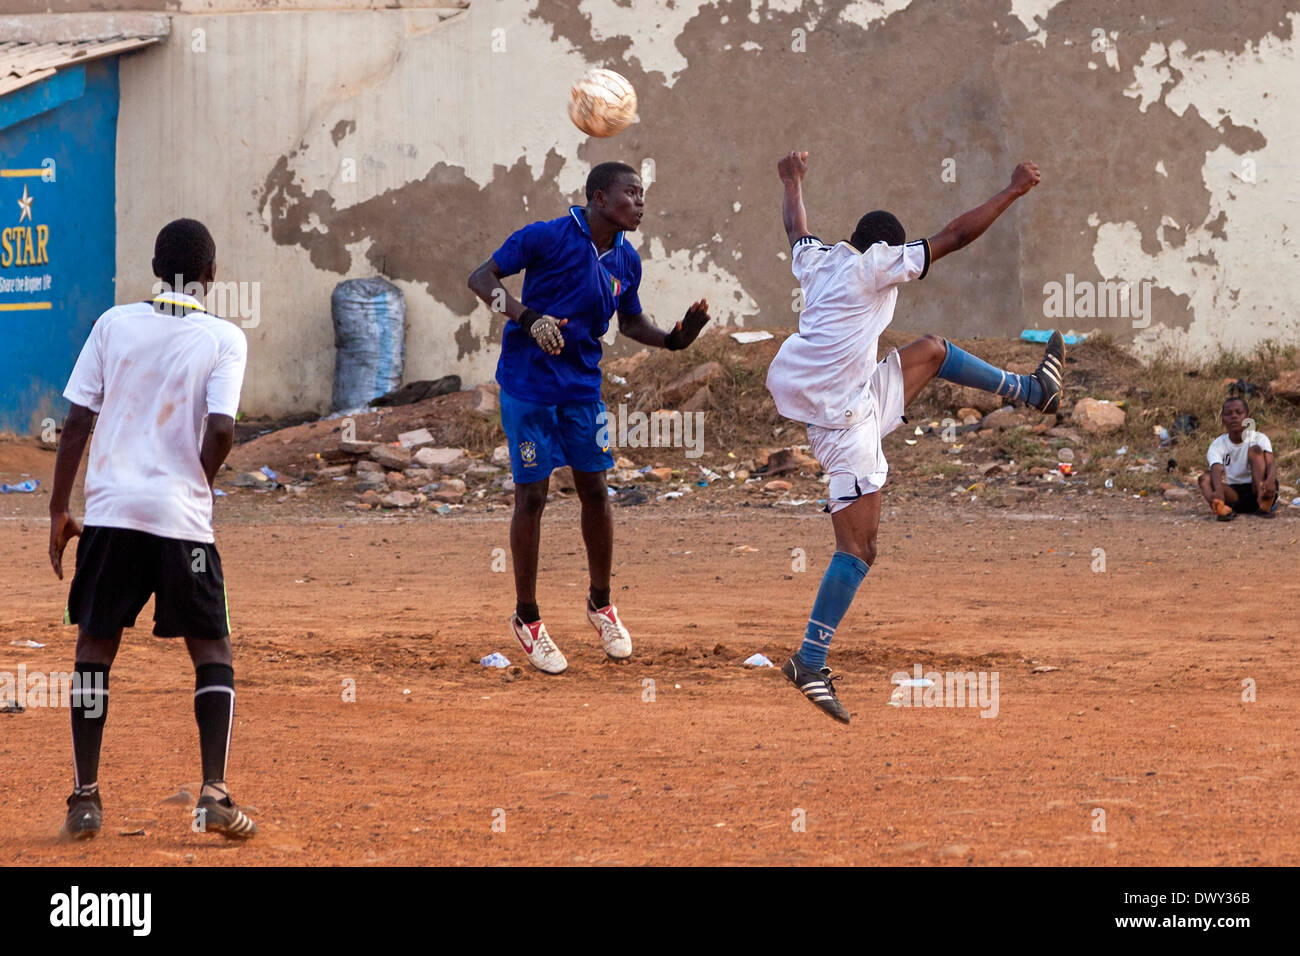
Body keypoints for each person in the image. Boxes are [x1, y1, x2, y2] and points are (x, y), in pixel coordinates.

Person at [766, 150, 1062, 723]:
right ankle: (809, 660)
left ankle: (1033, 391)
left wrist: (792, 179)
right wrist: (1012, 192)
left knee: (932, 350)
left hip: (857, 397)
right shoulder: (873, 266)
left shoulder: (821, 260)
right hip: (843, 425)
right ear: (882, 250)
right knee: (859, 549)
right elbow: (953, 235)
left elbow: (796, 229)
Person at [48, 218, 256, 839]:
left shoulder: (113, 324)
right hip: (180, 520)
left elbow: (77, 420)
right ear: (211, 276)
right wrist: (198, 484)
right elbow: (221, 430)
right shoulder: (224, 338)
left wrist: (60, 508)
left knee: (95, 647)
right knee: (210, 649)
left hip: (111, 514)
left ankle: (85, 797)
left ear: (155, 268)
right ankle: (213, 794)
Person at [467, 162, 710, 674]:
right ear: (599, 198)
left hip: (582, 390)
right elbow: (479, 278)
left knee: (595, 492)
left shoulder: (626, 260)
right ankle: (527, 618)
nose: (640, 203)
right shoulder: (547, 237)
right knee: (531, 495)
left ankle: (601, 606)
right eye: (631, 193)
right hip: (528, 387)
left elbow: (630, 321)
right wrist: (525, 316)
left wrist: (672, 339)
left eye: (643, 194)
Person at [1198, 397, 1279, 520]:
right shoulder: (1218, 444)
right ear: (1222, 420)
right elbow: (1216, 468)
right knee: (1204, 479)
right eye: (1228, 414)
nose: (1234, 417)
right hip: (1234, 495)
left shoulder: (1259, 438)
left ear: (1248, 417)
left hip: (1257, 488)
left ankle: (1264, 503)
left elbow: (1270, 464)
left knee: (1255, 450)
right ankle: (1222, 508)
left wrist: (1270, 481)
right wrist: (1218, 492)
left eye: (1239, 412)